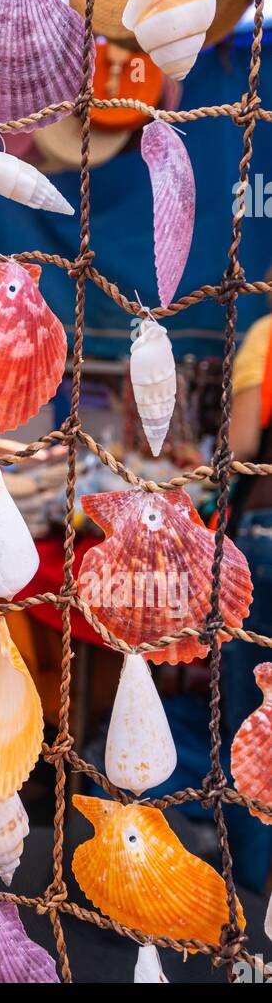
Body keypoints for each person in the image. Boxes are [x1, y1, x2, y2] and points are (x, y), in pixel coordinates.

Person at [223, 306, 272, 892]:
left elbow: (242, 446)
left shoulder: (266, 335)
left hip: (266, 535)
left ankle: (252, 875)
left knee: (253, 714)